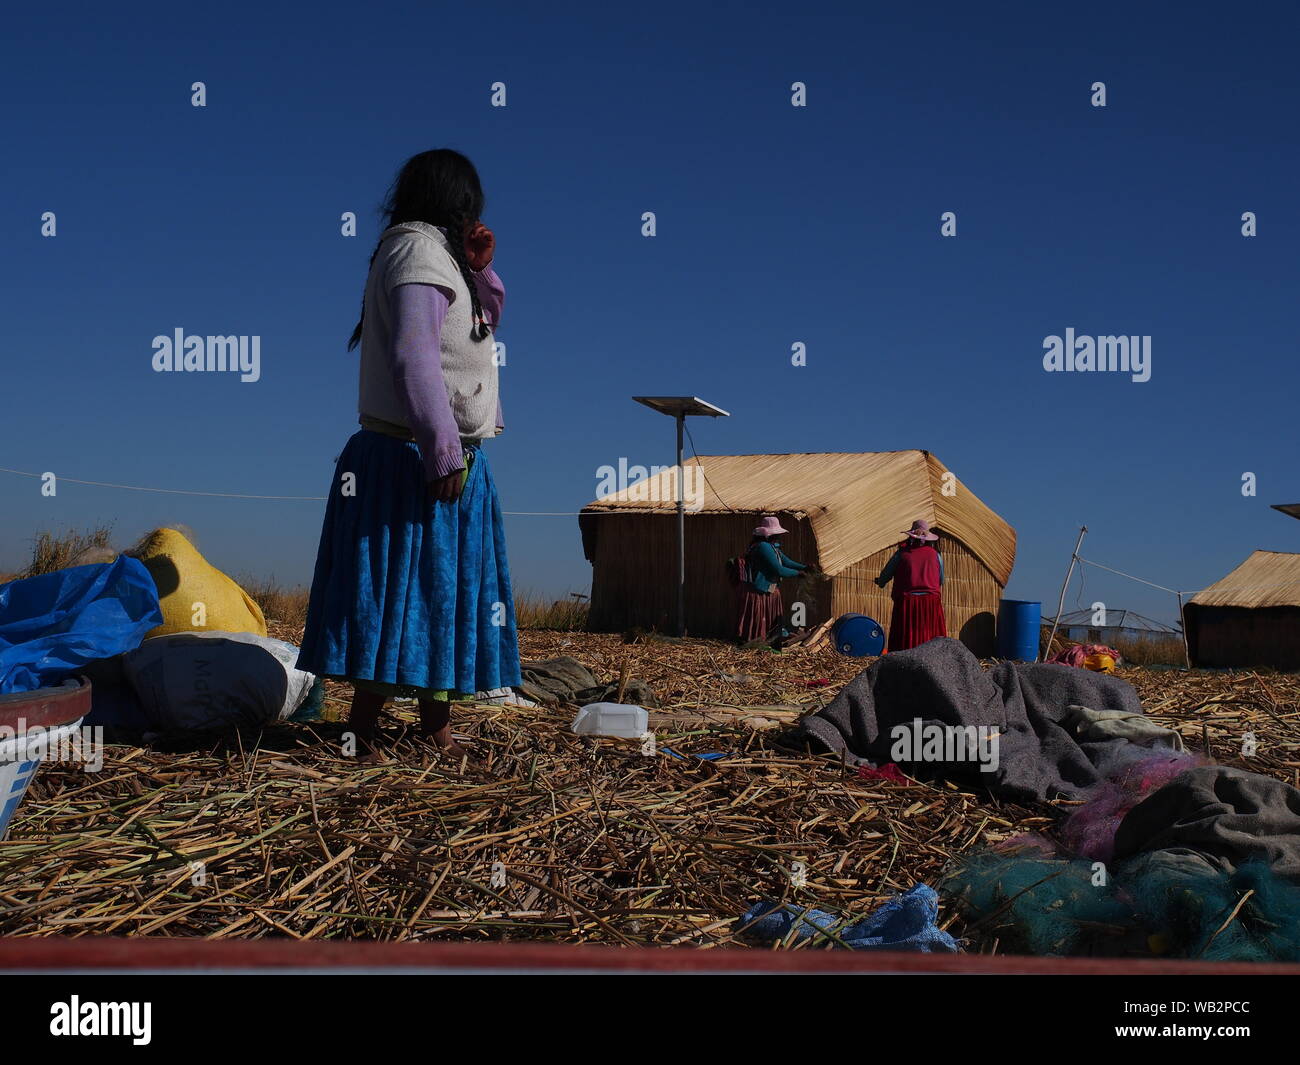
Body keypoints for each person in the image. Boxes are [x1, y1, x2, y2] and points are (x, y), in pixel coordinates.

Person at [296, 148, 520, 758]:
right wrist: (442, 451)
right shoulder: (417, 251)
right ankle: (360, 729)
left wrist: (479, 269)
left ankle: (434, 724)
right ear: (456, 203)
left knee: (439, 596)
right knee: (396, 590)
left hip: (434, 455)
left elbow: (480, 322)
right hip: (409, 457)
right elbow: (414, 357)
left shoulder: (440, 258)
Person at [735, 516, 810, 645]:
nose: (778, 537)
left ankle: (770, 640)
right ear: (767, 534)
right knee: (760, 620)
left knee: (772, 623)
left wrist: (805, 568)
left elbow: (786, 561)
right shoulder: (763, 547)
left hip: (767, 590)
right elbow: (779, 570)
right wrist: (798, 573)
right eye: (776, 534)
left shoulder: (772, 547)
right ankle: (756, 642)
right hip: (759, 591)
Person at [875, 519, 947, 651]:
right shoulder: (936, 555)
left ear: (911, 537)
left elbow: (886, 574)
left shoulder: (902, 554)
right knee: (930, 637)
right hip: (930, 604)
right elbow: (940, 580)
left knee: (906, 639)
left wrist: (880, 582)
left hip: (907, 604)